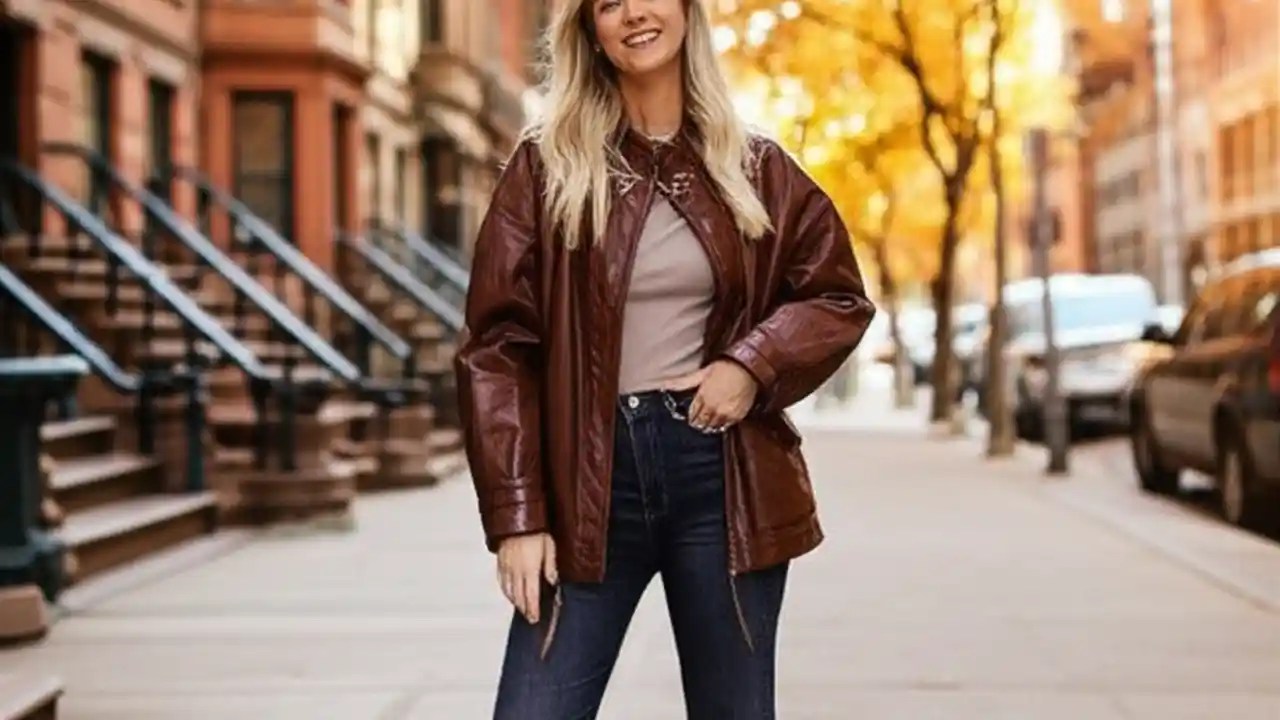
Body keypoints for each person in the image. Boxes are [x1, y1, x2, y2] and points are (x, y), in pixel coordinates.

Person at [454, 0, 875, 717]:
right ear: (589, 28)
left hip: (721, 478)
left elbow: (836, 295)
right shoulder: (545, 165)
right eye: (607, 4)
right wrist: (518, 515)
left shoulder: (758, 167)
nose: (631, 15)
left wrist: (750, 366)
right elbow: (497, 346)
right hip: (588, 484)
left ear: (686, 10)